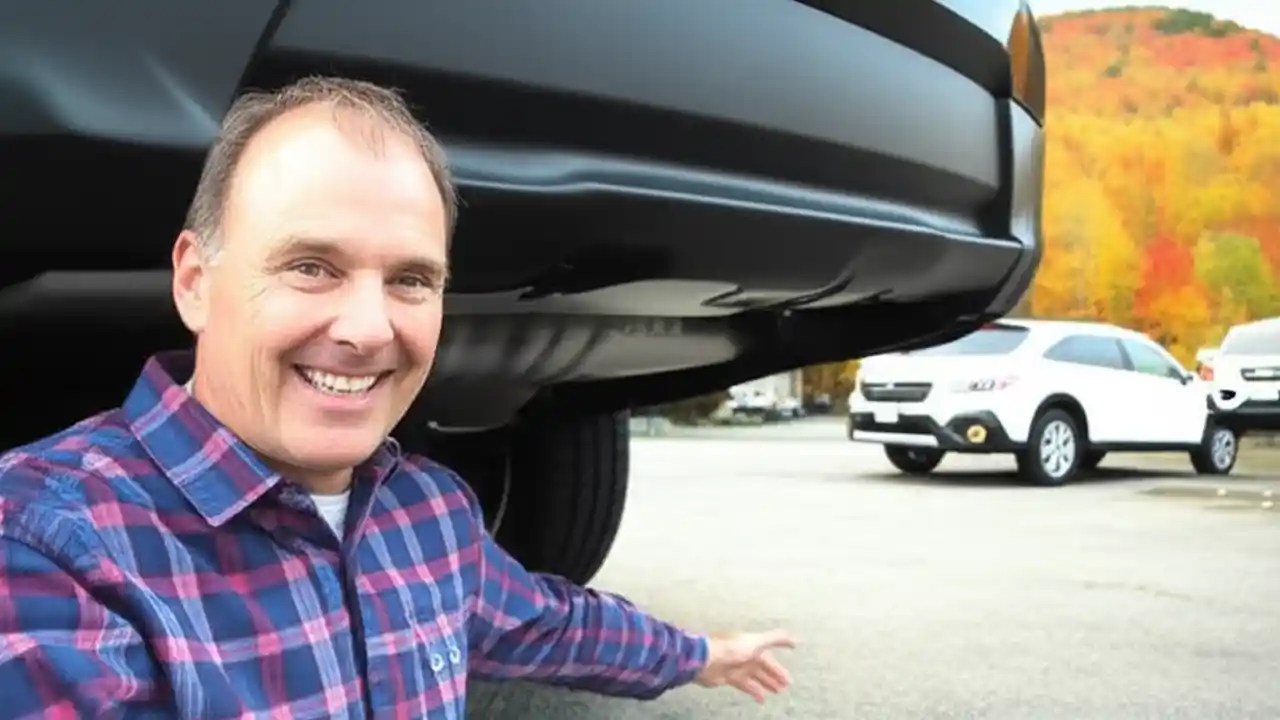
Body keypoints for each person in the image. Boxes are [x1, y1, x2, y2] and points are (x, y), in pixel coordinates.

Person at [0, 76, 796, 718]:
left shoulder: (427, 510)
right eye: (312, 266)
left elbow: (545, 625)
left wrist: (701, 656)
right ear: (195, 282)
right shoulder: (44, 545)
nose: (369, 328)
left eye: (412, 280)